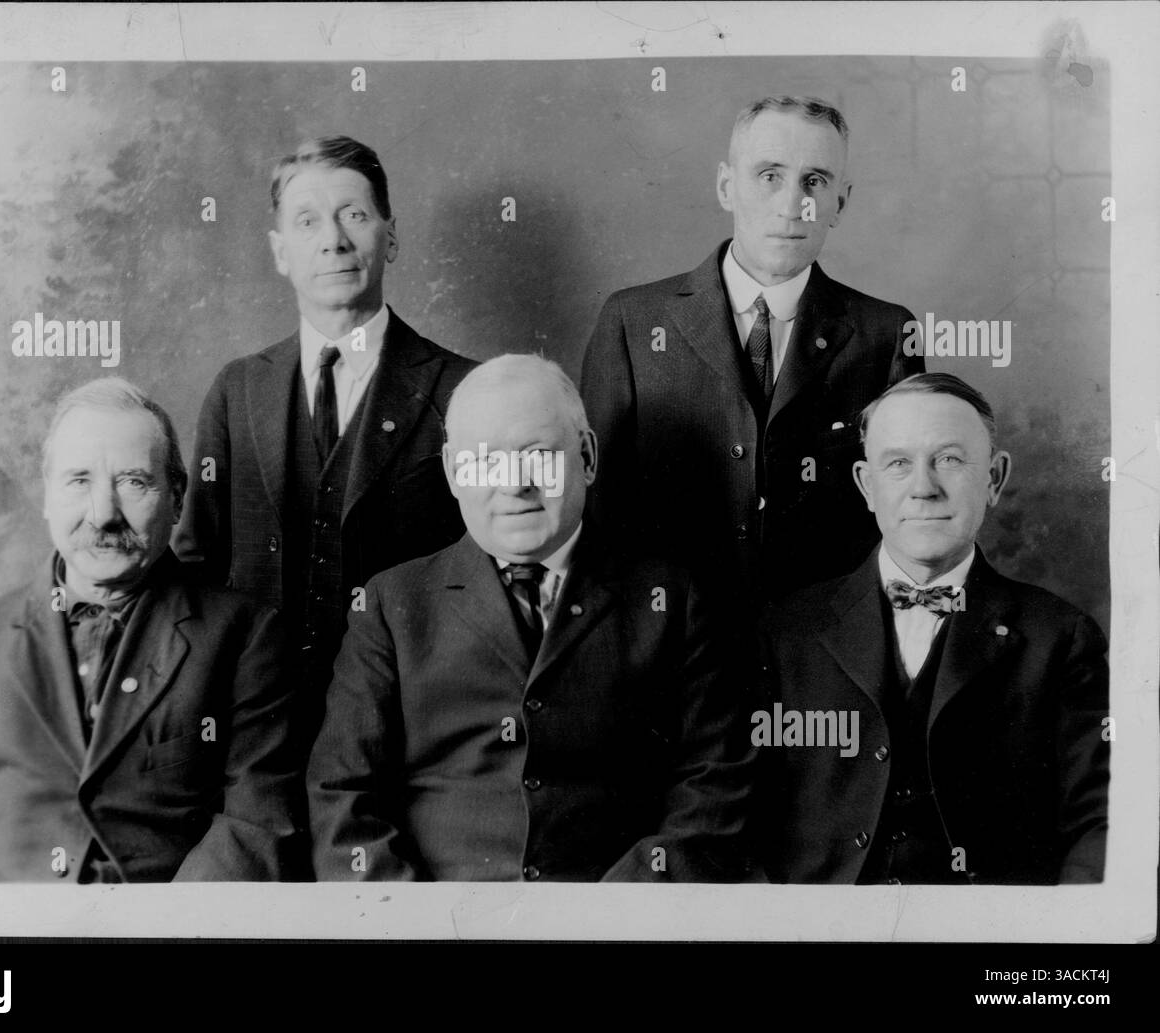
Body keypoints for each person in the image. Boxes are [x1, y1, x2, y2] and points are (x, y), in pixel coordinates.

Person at [307, 354, 757, 882]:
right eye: (483, 462)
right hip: (436, 932)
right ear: (454, 473)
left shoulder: (669, 601)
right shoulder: (391, 604)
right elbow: (341, 796)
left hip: (615, 933)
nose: (514, 484)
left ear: (587, 457)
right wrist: (417, 932)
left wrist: (617, 921)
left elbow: (715, 784)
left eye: (538, 457)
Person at [0, 378, 305, 883]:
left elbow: (256, 822)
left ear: (177, 496)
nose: (103, 514)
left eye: (133, 482)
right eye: (79, 481)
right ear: (47, 497)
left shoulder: (246, 636)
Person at [754, 373, 1109, 884]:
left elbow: (1098, 825)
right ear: (866, 485)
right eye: (898, 464)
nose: (924, 487)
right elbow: (738, 816)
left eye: (949, 459)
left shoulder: (1061, 638)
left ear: (993, 478)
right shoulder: (785, 632)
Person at [580, 95, 924, 619]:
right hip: (669, 645)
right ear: (726, 186)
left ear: (841, 203)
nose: (791, 204)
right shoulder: (633, 321)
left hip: (825, 644)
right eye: (769, 176)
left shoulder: (885, 334)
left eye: (815, 182)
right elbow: (597, 505)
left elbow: (904, 512)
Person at [175, 135, 476, 719]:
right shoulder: (237, 391)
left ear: (391, 236)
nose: (334, 240)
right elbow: (197, 565)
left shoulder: (462, 390)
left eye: (355, 216)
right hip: (257, 723)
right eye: (307, 221)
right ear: (280, 251)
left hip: (414, 717)